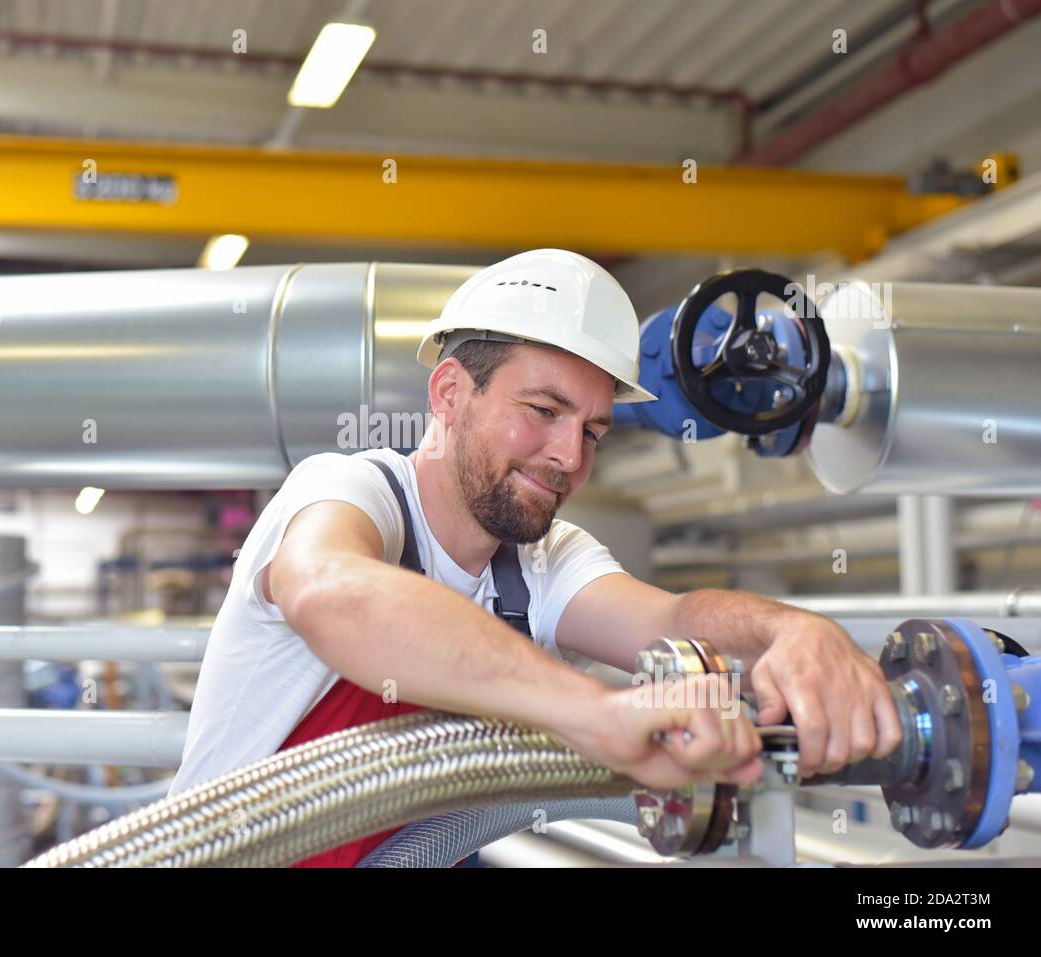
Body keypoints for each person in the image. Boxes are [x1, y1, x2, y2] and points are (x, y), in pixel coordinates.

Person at [171, 248, 901, 866]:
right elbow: (334, 593)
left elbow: (674, 617)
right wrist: (592, 713)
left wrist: (792, 630)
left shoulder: (540, 562)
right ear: (451, 394)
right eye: (544, 411)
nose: (568, 456)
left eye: (593, 430)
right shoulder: (350, 492)